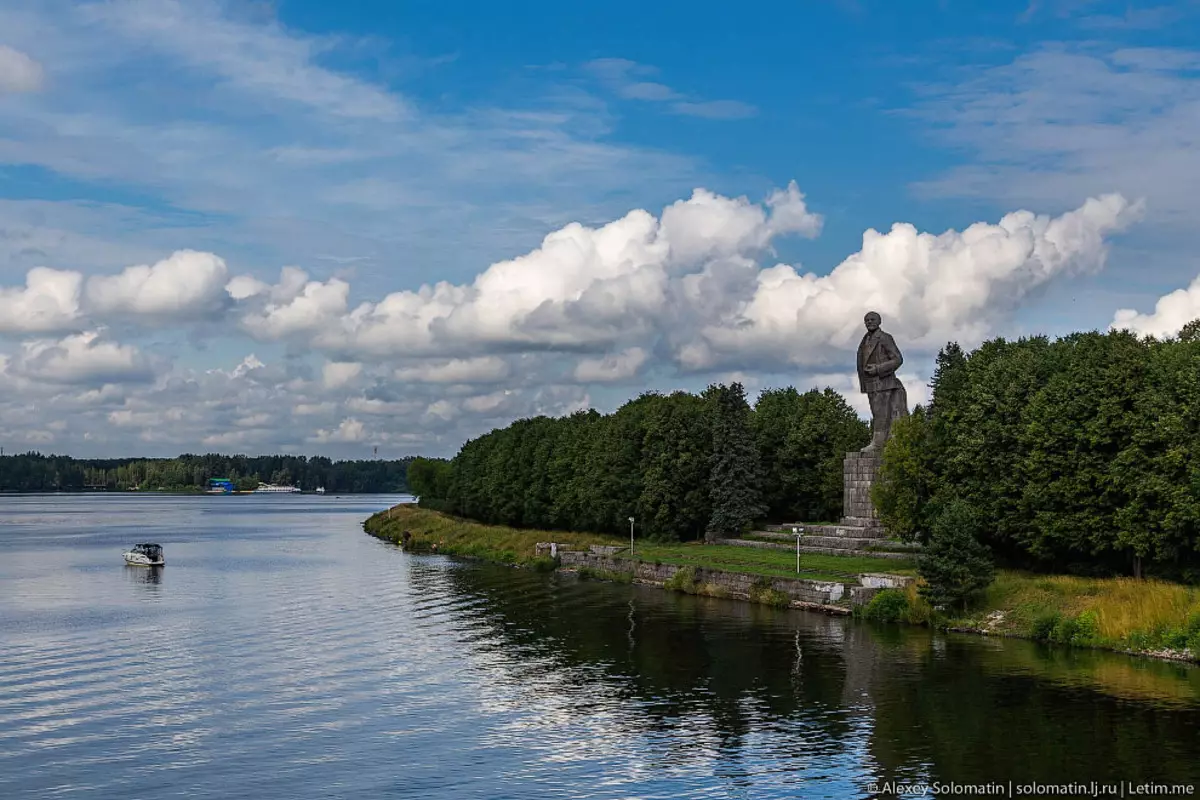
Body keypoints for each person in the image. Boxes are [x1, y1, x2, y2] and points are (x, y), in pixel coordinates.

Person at [857, 311, 908, 453]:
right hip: (871, 384)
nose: (869, 322)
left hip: (885, 383)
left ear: (879, 322)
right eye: (866, 320)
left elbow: (898, 359)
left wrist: (878, 368)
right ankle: (881, 443)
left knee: (881, 415)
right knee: (877, 414)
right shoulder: (865, 340)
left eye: (872, 319)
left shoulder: (885, 338)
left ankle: (878, 443)